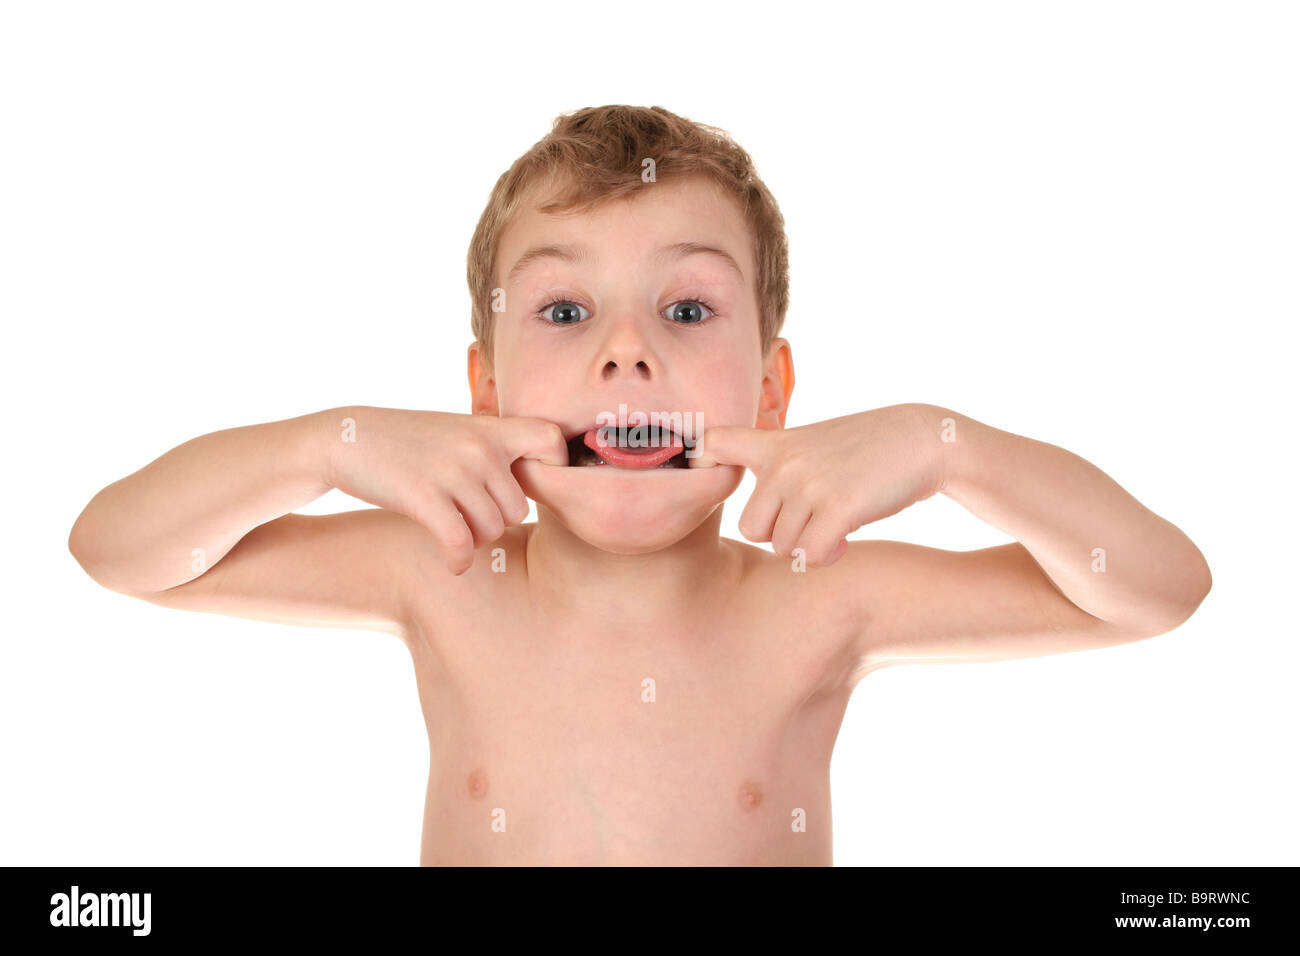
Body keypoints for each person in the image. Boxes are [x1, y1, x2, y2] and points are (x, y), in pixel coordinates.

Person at [68, 104, 1212, 865]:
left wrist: (947, 444)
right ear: (485, 384)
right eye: (565, 312)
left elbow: (1155, 588)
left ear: (772, 392)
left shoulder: (820, 599)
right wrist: (324, 446)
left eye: (687, 309)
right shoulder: (445, 571)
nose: (626, 352)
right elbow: (119, 548)